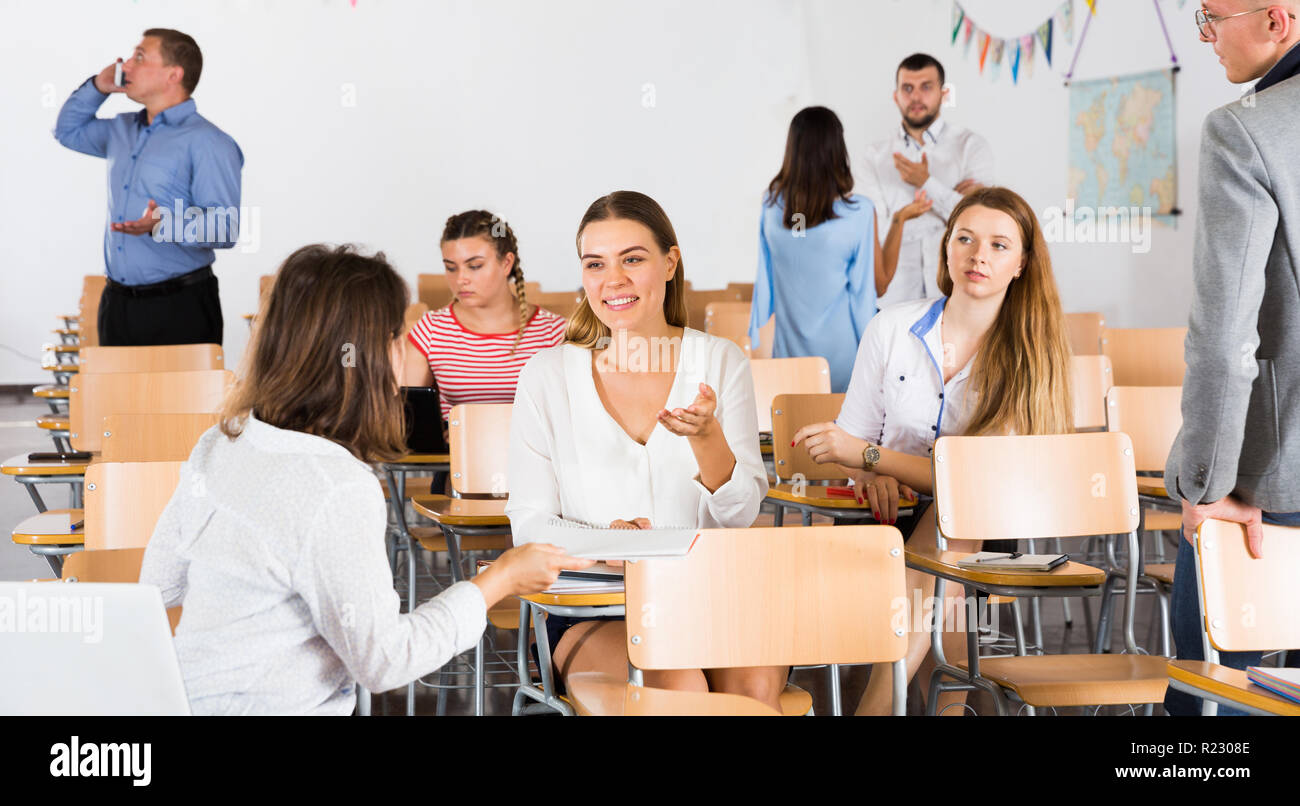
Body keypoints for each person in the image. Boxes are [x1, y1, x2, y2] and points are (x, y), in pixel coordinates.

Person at [139, 244, 590, 715]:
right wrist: (500, 578)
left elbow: (159, 584)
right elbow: (384, 663)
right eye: (397, 335)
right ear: (365, 355)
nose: (405, 350)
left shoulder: (221, 442)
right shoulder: (337, 487)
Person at [792, 187, 1073, 715]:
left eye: (998, 244)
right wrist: (866, 469)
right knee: (949, 561)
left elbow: (977, 484)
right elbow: (849, 445)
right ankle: (947, 710)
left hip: (989, 533)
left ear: (1022, 263)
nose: (978, 255)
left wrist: (873, 458)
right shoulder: (891, 327)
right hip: (883, 520)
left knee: (957, 521)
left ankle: (878, 707)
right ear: (946, 249)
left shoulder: (1032, 354)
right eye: (964, 238)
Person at [506, 191, 782, 710]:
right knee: (679, 689)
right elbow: (530, 526)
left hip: (712, 595)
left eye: (633, 259)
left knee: (754, 691)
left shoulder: (720, 360)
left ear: (670, 262)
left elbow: (741, 516)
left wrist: (707, 438)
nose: (613, 280)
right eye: (596, 264)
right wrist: (608, 542)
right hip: (594, 611)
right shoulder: (546, 376)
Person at [1164, 0, 1300, 716]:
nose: (1207, 35)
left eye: (1213, 15)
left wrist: (1207, 482)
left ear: (1277, 20)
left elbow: (1223, 339)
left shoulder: (1245, 131)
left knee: (1206, 718)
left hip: (1267, 488)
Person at [54, 29, 243, 347]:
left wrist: (163, 224)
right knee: (119, 399)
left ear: (174, 74)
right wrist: (99, 86)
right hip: (117, 305)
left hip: (181, 307)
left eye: (140, 56)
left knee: (182, 399)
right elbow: (67, 131)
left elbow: (225, 228)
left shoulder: (210, 143)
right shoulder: (121, 130)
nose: (126, 64)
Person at [749, 106, 932, 393]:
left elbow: (768, 282)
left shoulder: (771, 207)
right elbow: (879, 285)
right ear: (837, 151)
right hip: (845, 361)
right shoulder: (857, 212)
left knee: (791, 433)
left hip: (787, 362)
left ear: (792, 149)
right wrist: (899, 220)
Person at [401, 210, 567, 420]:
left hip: (529, 451)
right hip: (453, 452)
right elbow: (408, 419)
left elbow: (567, 417)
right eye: (451, 268)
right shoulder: (430, 331)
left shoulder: (553, 333)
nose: (461, 279)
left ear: (506, 263)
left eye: (475, 266)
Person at [860, 53, 995, 309]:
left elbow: (981, 221)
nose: (916, 97)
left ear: (943, 94)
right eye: (907, 88)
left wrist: (926, 182)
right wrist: (952, 205)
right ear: (896, 96)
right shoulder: (874, 157)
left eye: (926, 87)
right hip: (894, 299)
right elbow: (873, 230)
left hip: (958, 295)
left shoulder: (971, 146)